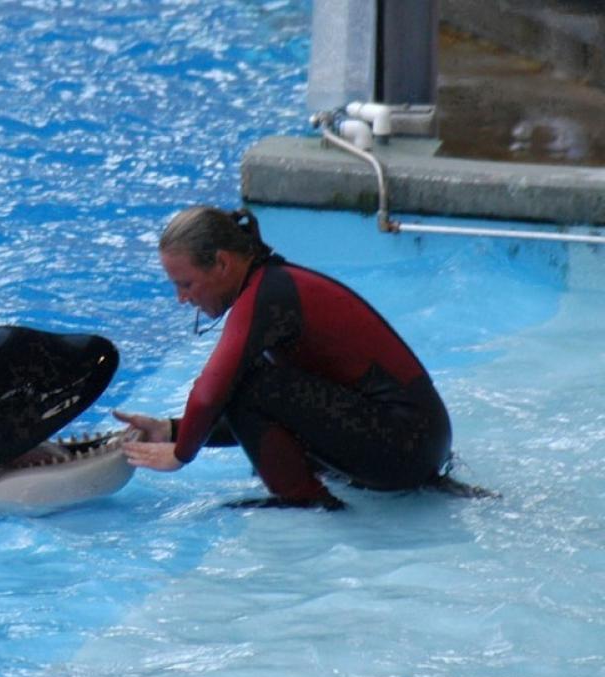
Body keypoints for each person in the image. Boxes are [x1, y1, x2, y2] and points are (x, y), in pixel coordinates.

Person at [116, 206, 453, 509]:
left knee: (245, 380)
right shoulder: (272, 282)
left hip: (405, 445)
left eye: (186, 283)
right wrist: (171, 430)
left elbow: (211, 392)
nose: (181, 298)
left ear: (222, 263)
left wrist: (180, 454)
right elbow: (272, 411)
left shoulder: (267, 295)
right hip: (417, 446)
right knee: (249, 381)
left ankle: (305, 501)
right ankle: (306, 493)